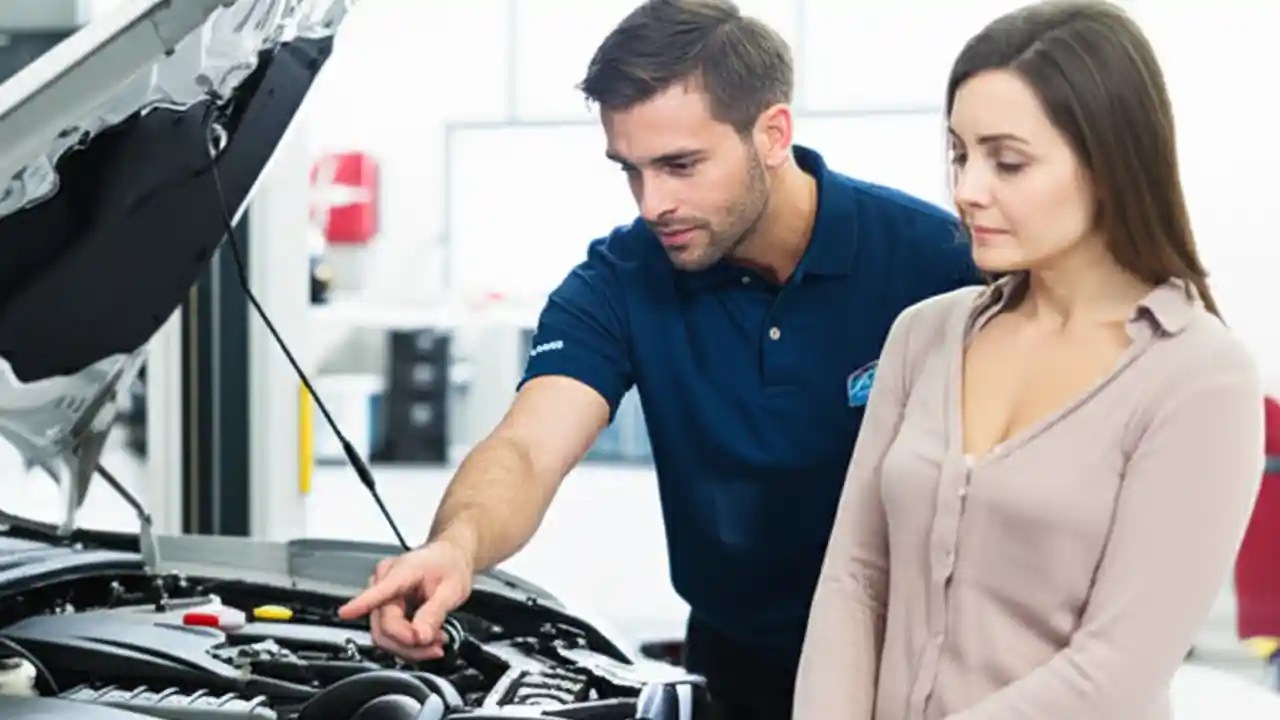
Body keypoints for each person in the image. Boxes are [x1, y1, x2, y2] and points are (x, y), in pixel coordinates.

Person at [338, 0, 981, 716]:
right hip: (734, 679)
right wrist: (457, 547)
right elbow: (527, 447)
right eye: (631, 170)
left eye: (681, 165)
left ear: (772, 133)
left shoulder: (940, 264)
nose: (653, 204)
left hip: (917, 676)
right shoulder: (621, 279)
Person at [791, 1, 1266, 718]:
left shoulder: (1200, 379)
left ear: (1109, 166)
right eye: (960, 153)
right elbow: (856, 579)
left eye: (1007, 161)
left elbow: (1115, 671)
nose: (967, 190)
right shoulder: (923, 336)